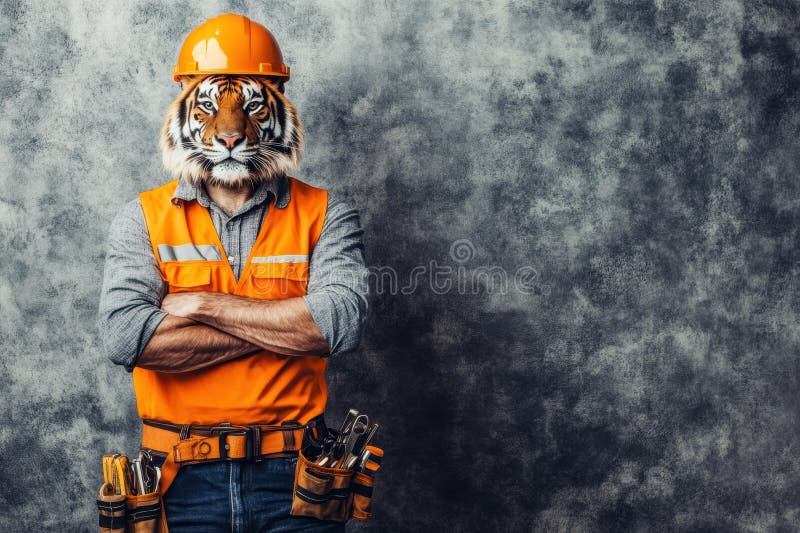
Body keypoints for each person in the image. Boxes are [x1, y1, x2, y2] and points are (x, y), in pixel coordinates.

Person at [97, 13, 369, 532]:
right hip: (177, 478)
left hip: (296, 478)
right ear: (182, 106)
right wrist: (289, 329)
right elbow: (126, 337)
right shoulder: (144, 217)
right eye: (208, 105)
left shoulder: (327, 213)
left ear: (277, 108)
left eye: (249, 105)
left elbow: (341, 324)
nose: (229, 130)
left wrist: (204, 305)